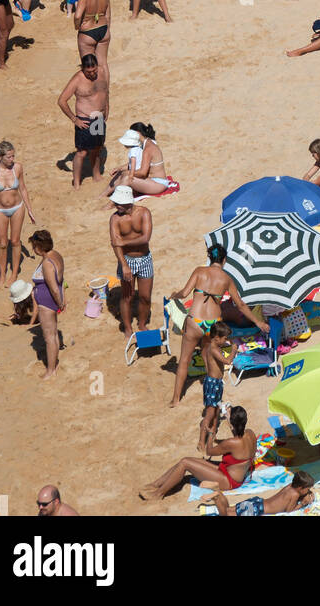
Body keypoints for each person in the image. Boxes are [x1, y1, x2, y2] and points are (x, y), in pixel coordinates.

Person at [170, 244, 267, 405]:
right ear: (224, 260)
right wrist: (258, 322)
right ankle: (212, 393)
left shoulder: (199, 271)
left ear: (210, 257)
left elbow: (184, 293)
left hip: (194, 321)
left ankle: (175, 399)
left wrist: (175, 295)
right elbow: (240, 305)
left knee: (184, 360)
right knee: (208, 357)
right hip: (213, 324)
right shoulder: (226, 279)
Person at [140, 405, 259, 501]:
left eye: (228, 416)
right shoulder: (250, 433)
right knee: (186, 460)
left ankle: (159, 494)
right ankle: (156, 484)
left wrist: (211, 434)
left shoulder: (232, 443)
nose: (226, 416)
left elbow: (209, 451)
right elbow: (236, 444)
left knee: (185, 463)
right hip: (230, 473)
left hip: (229, 482)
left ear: (232, 424)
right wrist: (225, 432)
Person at [0, 141, 35, 287]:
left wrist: (30, 209)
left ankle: (14, 274)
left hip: (17, 207)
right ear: (1, 156)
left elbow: (23, 188)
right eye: (9, 157)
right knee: (2, 243)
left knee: (16, 241)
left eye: (13, 156)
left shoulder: (17, 168)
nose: (12, 159)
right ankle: (2, 275)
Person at [58, 54, 109, 189]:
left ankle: (96, 174)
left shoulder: (102, 72)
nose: (92, 74)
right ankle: (76, 182)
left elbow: (105, 91)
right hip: (85, 120)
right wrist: (74, 119)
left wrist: (107, 108)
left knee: (96, 149)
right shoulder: (77, 79)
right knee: (82, 152)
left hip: (99, 118)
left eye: (94, 71)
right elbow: (62, 101)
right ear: (82, 68)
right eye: (88, 72)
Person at [109, 186, 153, 337]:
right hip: (127, 260)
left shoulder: (144, 213)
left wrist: (124, 242)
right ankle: (128, 327)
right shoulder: (115, 219)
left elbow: (146, 238)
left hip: (145, 258)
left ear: (127, 202)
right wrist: (124, 265)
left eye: (118, 203)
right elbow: (115, 244)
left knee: (145, 297)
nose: (116, 205)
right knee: (127, 297)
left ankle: (142, 323)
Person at [197, 321, 239, 452]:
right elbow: (227, 361)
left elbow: (223, 345)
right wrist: (233, 350)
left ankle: (213, 432)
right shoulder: (214, 349)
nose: (226, 341)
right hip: (212, 383)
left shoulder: (214, 345)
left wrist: (228, 342)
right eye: (224, 338)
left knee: (216, 409)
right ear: (216, 337)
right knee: (210, 414)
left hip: (216, 382)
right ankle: (201, 441)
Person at [29, 230, 64, 379]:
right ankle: (54, 365)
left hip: (46, 302)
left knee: (49, 337)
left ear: (39, 247)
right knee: (54, 334)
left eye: (34, 247)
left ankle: (50, 371)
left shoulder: (47, 264)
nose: (33, 250)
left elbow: (54, 288)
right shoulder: (56, 255)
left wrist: (60, 303)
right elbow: (61, 280)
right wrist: (62, 299)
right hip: (50, 300)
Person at [106, 123, 171, 199]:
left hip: (159, 184)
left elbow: (143, 173)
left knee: (127, 178)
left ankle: (113, 201)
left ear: (138, 133)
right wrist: (119, 168)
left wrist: (127, 172)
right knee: (122, 173)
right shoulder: (144, 143)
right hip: (151, 181)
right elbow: (138, 163)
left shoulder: (148, 147)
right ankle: (103, 195)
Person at [74, 0, 111, 67]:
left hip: (88, 32)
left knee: (89, 67)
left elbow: (77, 16)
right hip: (104, 30)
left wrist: (77, 26)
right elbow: (108, 16)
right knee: (103, 65)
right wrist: (107, 31)